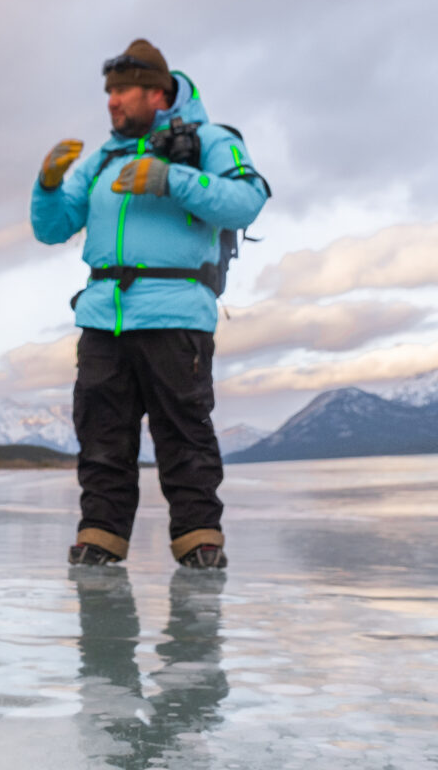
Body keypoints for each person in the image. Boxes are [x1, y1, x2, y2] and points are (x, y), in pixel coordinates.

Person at [31, 38, 269, 570]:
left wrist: (170, 178)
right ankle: (100, 537)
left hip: (176, 313)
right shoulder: (104, 158)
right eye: (109, 92)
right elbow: (53, 227)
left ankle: (199, 540)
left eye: (123, 91)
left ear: (158, 94)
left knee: (184, 436)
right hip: (103, 319)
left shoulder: (210, 141)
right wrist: (47, 185)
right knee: (101, 439)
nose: (112, 101)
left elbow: (246, 200)